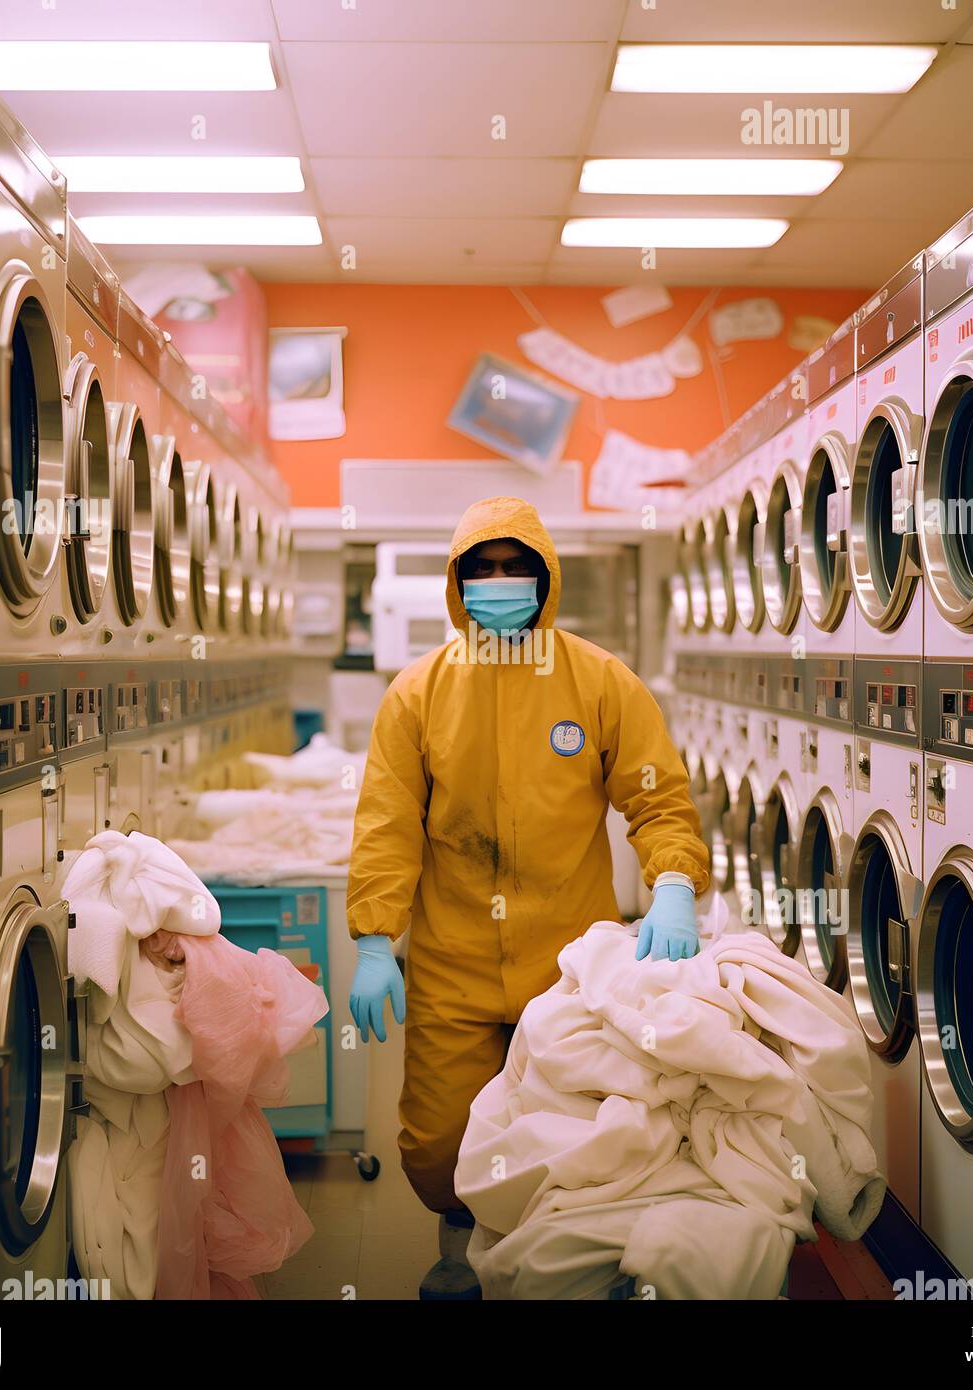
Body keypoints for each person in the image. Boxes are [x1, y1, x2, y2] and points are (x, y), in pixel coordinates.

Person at [345, 496, 710, 1298]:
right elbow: (387, 825)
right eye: (483, 570)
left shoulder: (600, 680)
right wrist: (376, 939)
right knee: (441, 1143)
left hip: (572, 962)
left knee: (575, 1133)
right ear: (458, 583)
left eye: (518, 569)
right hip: (454, 963)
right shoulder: (418, 694)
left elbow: (657, 798)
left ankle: (562, 1263)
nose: (501, 583)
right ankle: (459, 1251)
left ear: (547, 579)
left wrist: (674, 883)